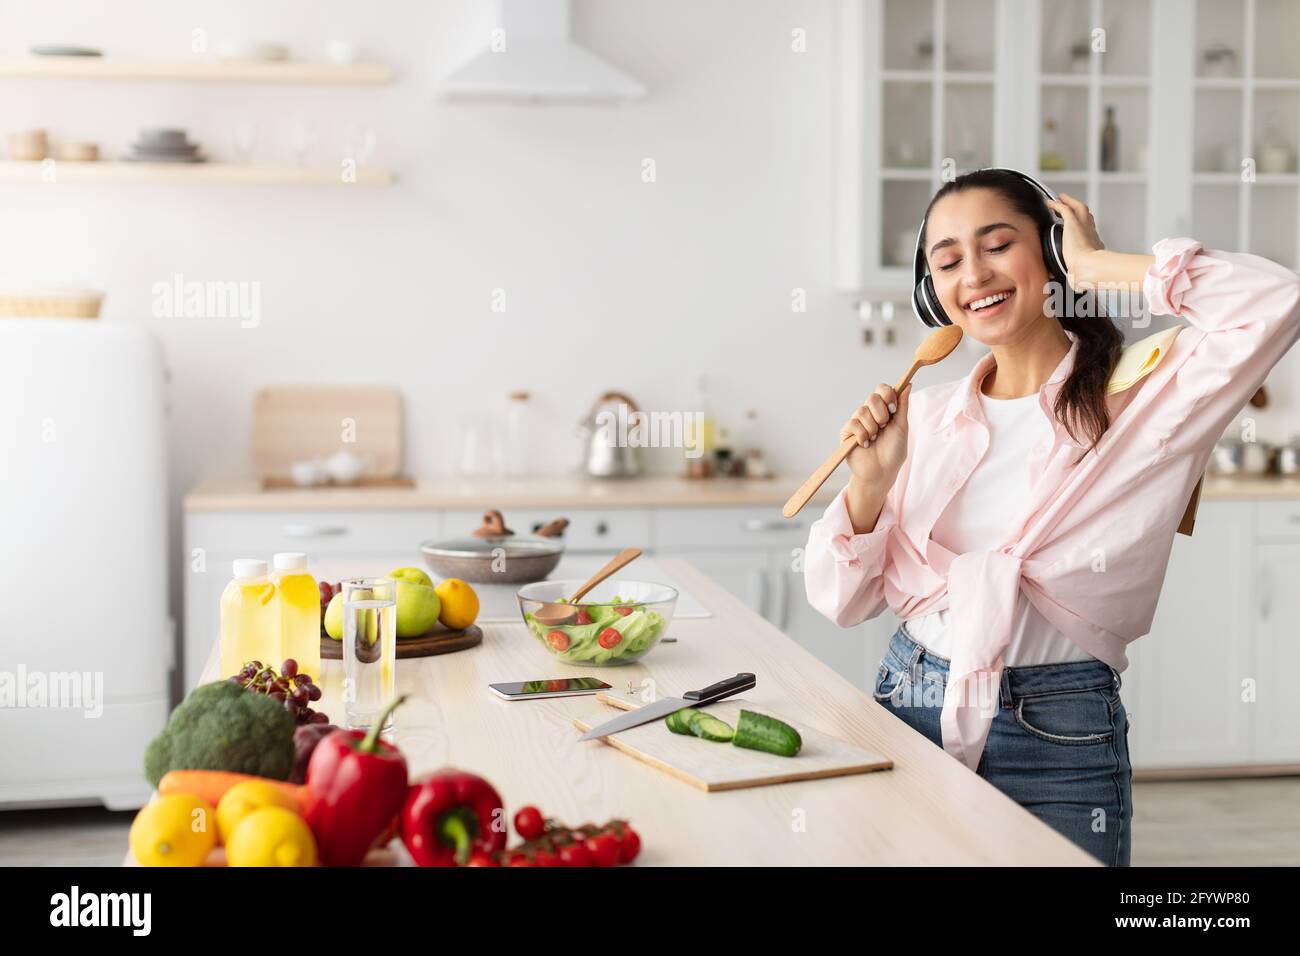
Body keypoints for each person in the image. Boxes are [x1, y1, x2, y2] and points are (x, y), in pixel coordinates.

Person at [803, 168, 1300, 866]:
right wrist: (872, 484)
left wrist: (1099, 266)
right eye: (947, 262)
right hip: (907, 698)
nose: (972, 273)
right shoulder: (925, 413)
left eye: (997, 245)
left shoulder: (1147, 390)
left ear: (1052, 254)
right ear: (933, 293)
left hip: (1058, 728)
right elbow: (839, 598)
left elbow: (1278, 299)